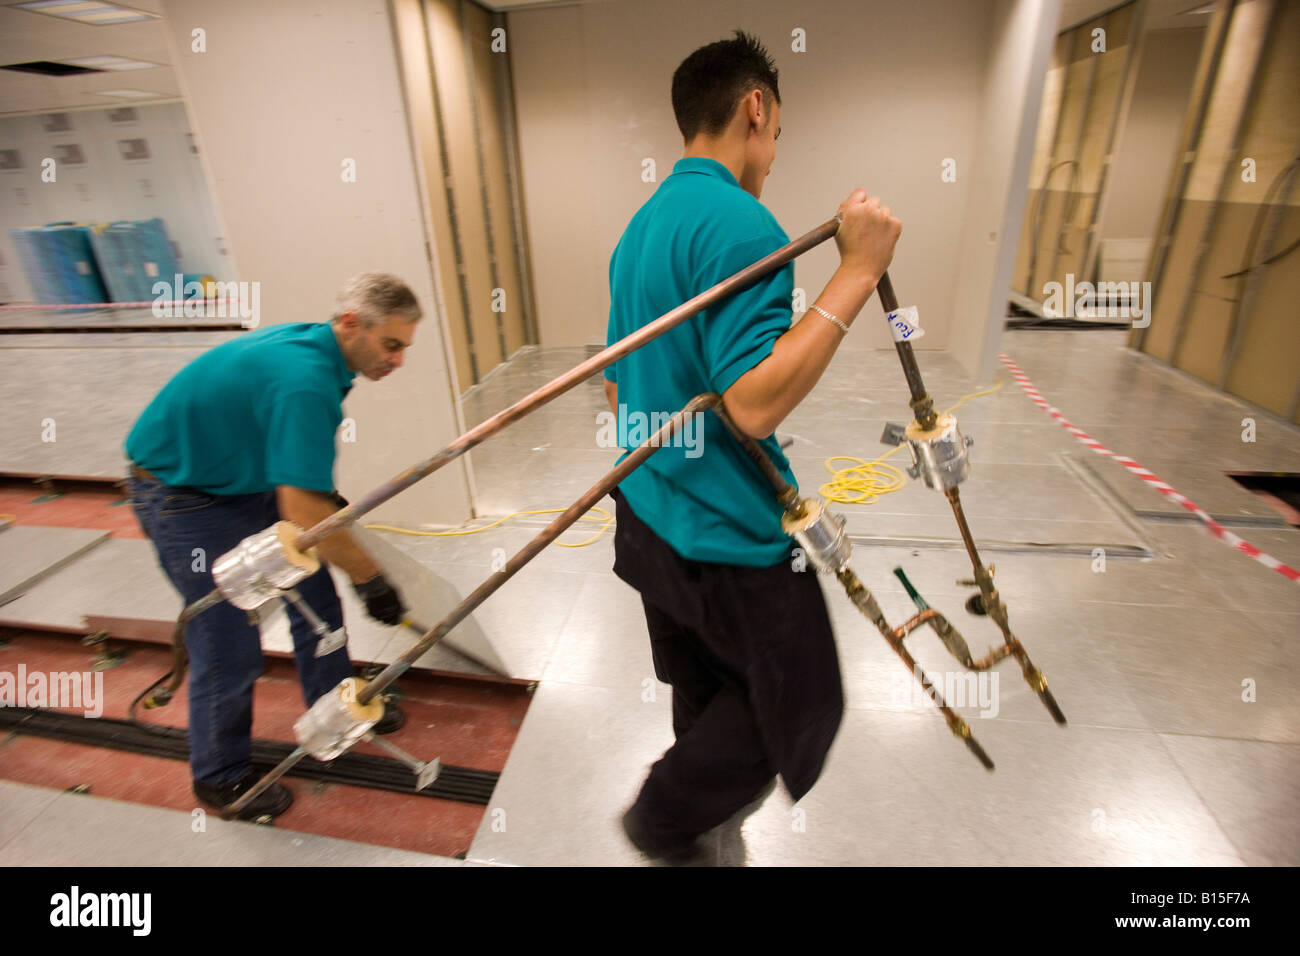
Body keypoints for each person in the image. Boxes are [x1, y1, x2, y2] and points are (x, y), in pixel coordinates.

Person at [604, 31, 902, 863]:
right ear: (755, 109)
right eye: (775, 136)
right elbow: (753, 403)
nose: (772, 157)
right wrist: (859, 271)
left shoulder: (642, 227)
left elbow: (614, 383)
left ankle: (706, 837)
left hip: (646, 513)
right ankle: (665, 818)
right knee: (800, 702)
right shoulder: (742, 223)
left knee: (708, 695)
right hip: (726, 534)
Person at [124, 273, 419, 820]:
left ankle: (335, 710)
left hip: (242, 481)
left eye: (404, 348)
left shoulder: (321, 353)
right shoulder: (305, 379)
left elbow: (298, 480)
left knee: (318, 605)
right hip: (183, 495)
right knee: (228, 639)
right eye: (391, 345)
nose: (398, 360)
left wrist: (317, 497)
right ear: (351, 324)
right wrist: (371, 579)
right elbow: (304, 511)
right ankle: (221, 777)